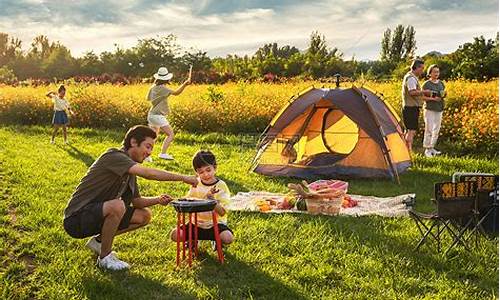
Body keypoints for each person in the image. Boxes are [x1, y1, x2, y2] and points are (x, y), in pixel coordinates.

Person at [63, 125, 198, 271]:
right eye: (147, 146)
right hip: (76, 218)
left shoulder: (129, 172)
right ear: (133, 142)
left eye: (151, 148)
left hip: (96, 215)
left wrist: (158, 199)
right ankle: (105, 258)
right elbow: (149, 174)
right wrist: (183, 177)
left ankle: (98, 242)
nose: (149, 152)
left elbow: (137, 201)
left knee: (144, 215)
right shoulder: (113, 156)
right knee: (117, 206)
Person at [170, 150, 234, 249]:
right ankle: (193, 240)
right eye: (201, 172)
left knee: (228, 238)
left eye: (208, 170)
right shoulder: (196, 183)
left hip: (215, 224)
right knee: (175, 235)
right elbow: (189, 199)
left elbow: (222, 212)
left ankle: (216, 240)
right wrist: (177, 200)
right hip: (196, 223)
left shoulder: (221, 185)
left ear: (215, 167)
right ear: (196, 172)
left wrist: (212, 201)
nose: (206, 175)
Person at [146, 66, 191, 161]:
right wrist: (185, 84)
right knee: (170, 134)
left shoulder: (153, 87)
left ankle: (147, 156)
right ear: (166, 79)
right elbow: (177, 92)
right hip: (158, 116)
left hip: (151, 115)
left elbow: (148, 99)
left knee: (153, 137)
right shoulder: (163, 88)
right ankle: (163, 153)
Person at [401, 59, 434, 152]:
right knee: (411, 131)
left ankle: (405, 150)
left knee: (408, 130)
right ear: (416, 67)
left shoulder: (411, 77)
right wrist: (424, 91)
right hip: (410, 108)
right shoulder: (411, 78)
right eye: (422, 68)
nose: (422, 70)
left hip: (409, 107)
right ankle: (409, 152)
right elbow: (412, 92)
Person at [422, 64, 446, 157]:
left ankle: (432, 147)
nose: (436, 73)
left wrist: (444, 95)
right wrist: (433, 99)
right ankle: (427, 149)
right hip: (429, 109)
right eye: (434, 72)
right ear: (430, 73)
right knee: (429, 129)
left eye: (438, 72)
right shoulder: (426, 84)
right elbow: (422, 97)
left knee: (436, 129)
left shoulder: (441, 83)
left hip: (439, 108)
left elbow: (442, 94)